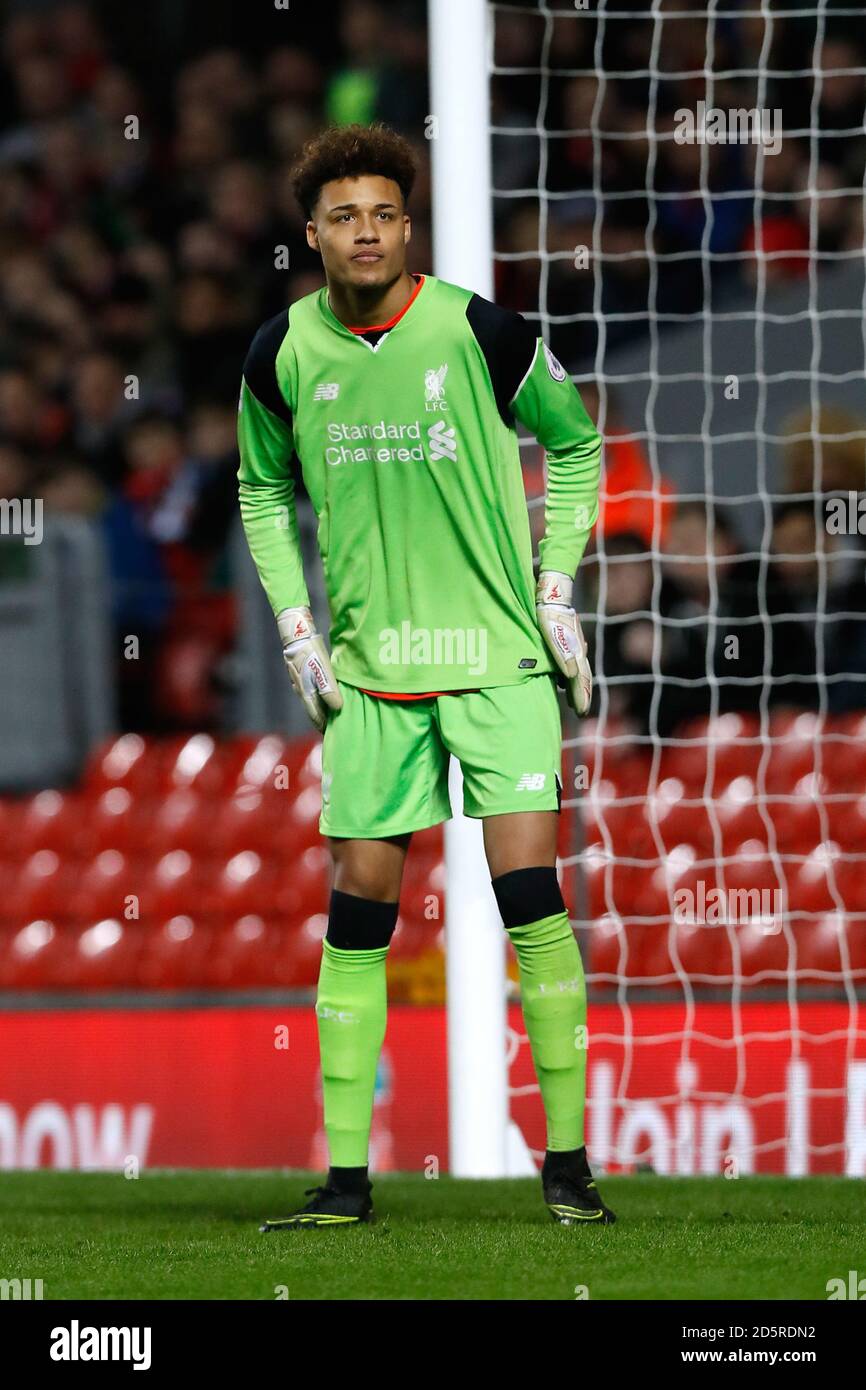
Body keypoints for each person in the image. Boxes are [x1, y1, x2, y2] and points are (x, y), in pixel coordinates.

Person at [237, 122, 612, 1230]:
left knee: (528, 902)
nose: (365, 232)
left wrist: (555, 590)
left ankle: (568, 1167)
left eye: (383, 214)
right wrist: (296, 623)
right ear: (312, 234)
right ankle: (346, 1183)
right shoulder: (278, 354)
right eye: (344, 216)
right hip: (369, 679)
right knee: (356, 918)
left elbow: (577, 442)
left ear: (409, 228)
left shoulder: (481, 332)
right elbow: (261, 492)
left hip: (496, 661)